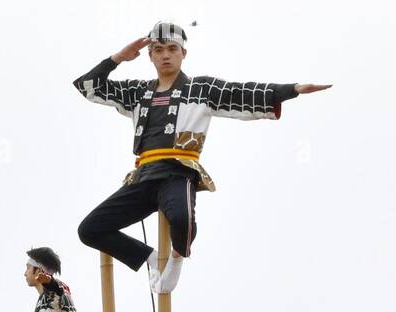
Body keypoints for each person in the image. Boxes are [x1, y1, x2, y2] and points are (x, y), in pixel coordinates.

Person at [75, 22, 330, 293]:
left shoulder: (200, 89)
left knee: (183, 222)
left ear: (184, 53)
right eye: (158, 49)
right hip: (143, 174)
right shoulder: (138, 92)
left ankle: (175, 259)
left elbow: (242, 92)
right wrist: (118, 58)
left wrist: (294, 89)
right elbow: (88, 87)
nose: (165, 55)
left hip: (177, 170)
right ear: (149, 55)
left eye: (172, 49)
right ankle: (147, 257)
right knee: (90, 229)